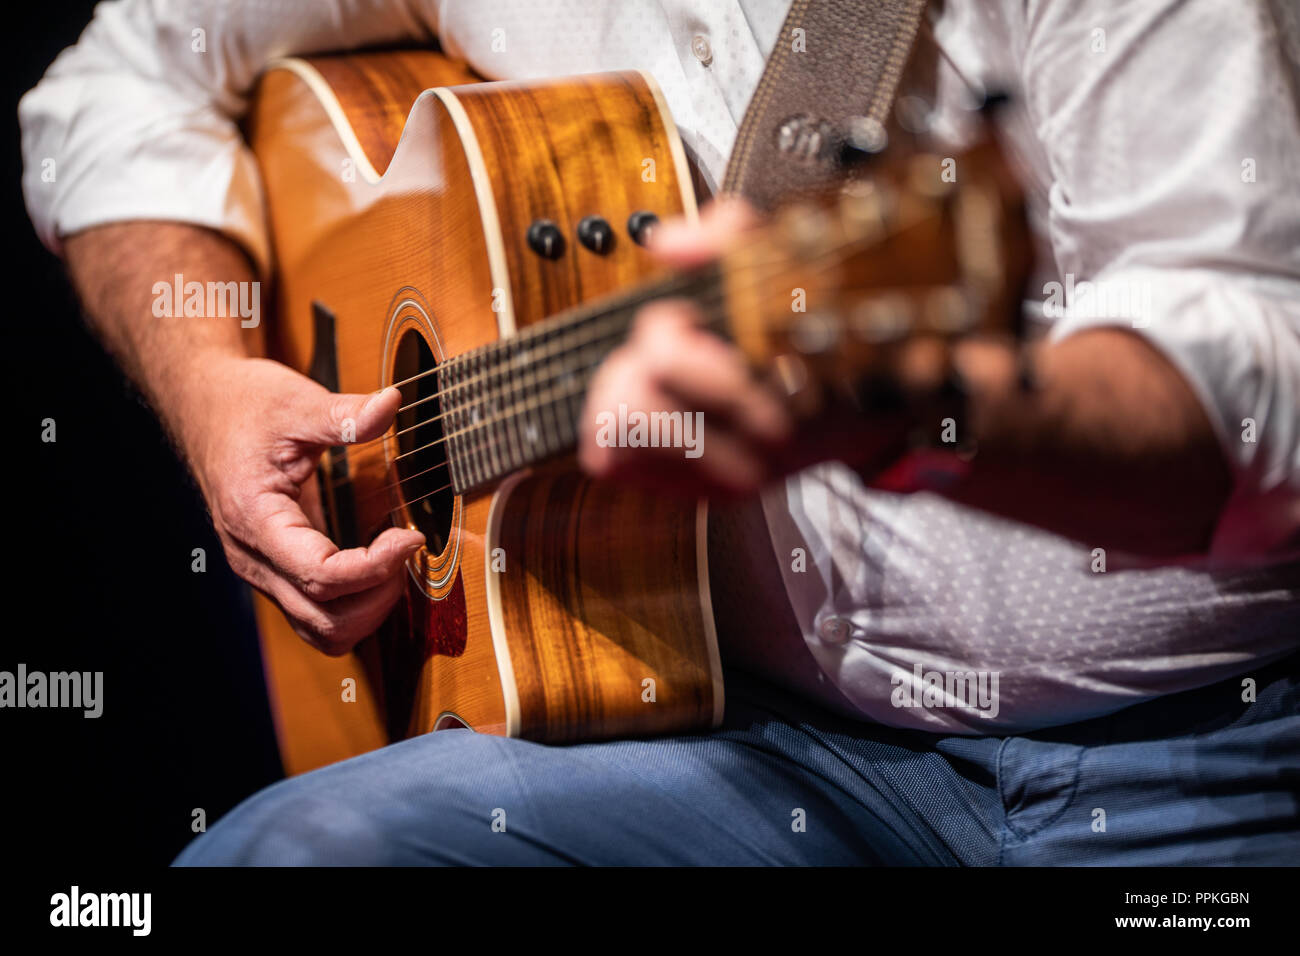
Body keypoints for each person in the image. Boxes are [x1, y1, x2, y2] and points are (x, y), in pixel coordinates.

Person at [20, 0, 1300, 865]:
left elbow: (1262, 377)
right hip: (741, 746)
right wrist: (209, 382)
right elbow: (122, 77)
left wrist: (915, 411)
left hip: (1202, 757)